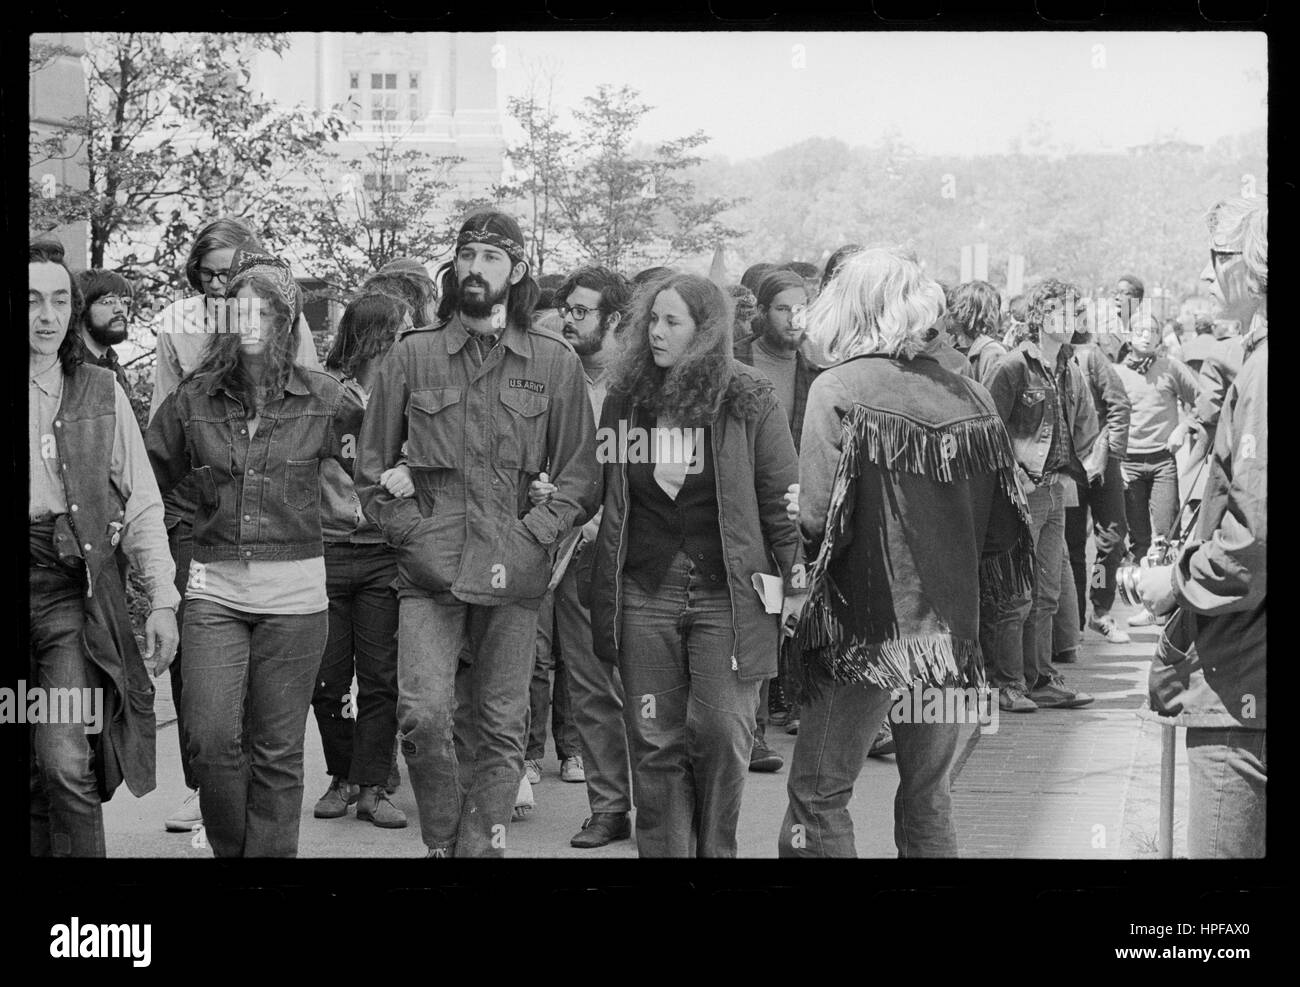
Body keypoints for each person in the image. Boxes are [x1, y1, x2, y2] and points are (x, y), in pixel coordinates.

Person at [355, 209, 598, 858]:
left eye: (491, 257)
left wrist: (534, 536)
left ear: (516, 272)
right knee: (423, 715)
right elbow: (371, 468)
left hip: (514, 575)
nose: (474, 267)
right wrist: (411, 534)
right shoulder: (414, 354)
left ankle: (476, 847)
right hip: (430, 574)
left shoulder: (554, 362)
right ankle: (444, 840)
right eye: (466, 254)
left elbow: (580, 476)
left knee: (500, 725)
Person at [778, 246, 1034, 857]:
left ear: (849, 309)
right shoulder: (973, 396)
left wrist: (806, 514)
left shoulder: (837, 387)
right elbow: (1004, 534)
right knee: (928, 796)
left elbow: (816, 520)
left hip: (861, 632)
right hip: (950, 635)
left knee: (818, 798)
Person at [146, 248, 364, 857]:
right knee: (211, 740)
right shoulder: (194, 399)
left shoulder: (326, 398)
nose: (250, 324)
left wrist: (398, 505)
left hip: (296, 600)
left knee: (276, 749)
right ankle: (233, 852)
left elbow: (379, 467)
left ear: (286, 323)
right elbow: (143, 482)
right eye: (239, 311)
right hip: (214, 590)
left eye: (264, 314)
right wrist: (161, 550)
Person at [588, 273, 805, 857]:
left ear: (706, 331)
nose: (656, 332)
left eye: (672, 322)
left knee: (720, 736)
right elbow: (597, 484)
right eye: (652, 321)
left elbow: (781, 503)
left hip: (728, 592)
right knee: (655, 738)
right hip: (645, 588)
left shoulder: (750, 396)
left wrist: (798, 589)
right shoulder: (626, 398)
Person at [29, 240, 180, 856]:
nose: (46, 314)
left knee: (65, 758)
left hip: (68, 589)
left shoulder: (98, 389)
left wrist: (163, 598)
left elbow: (141, 498)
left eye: (60, 299)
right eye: (33, 299)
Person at [1139, 194, 1266, 858]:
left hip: (1246, 676)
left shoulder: (1261, 365)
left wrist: (1179, 578)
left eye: (1219, 259)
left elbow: (1251, 542)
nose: (1211, 275)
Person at [530, 264, 638, 848]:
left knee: (647, 687)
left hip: (642, 559)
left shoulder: (644, 386)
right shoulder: (555, 378)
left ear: (615, 319)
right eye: (566, 310)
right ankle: (609, 808)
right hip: (575, 553)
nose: (567, 320)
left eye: (581, 311)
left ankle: (664, 805)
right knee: (591, 689)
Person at [309, 291, 412, 829]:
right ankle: (341, 775)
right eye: (403, 329)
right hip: (326, 548)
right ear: (378, 336)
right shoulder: (323, 392)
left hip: (383, 551)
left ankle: (374, 784)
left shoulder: (408, 392)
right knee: (326, 678)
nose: (410, 339)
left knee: (379, 676)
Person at [985, 278, 1101, 712]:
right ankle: (1007, 682)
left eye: (1077, 312)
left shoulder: (1068, 364)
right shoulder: (1014, 366)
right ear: (1039, 316)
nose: (1072, 322)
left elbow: (1081, 425)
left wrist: (1085, 464)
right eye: (1063, 312)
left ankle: (1038, 678)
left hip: (1054, 489)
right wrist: (1014, 472)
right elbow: (988, 427)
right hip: (1022, 493)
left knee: (1047, 591)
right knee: (1016, 594)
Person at [734, 268, 821, 766]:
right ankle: (753, 730)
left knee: (799, 602)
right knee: (755, 611)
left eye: (801, 307)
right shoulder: (737, 361)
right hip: (745, 501)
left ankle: (806, 708)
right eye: (783, 308)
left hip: (798, 502)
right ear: (764, 312)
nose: (793, 318)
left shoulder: (817, 367)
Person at [1114, 314, 1204, 627]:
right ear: (1129, 334)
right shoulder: (1117, 373)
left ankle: (1170, 604)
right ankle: (1147, 603)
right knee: (1138, 538)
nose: (1146, 336)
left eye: (1152, 331)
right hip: (1129, 464)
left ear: (1159, 337)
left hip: (1163, 460)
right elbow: (1104, 417)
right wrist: (1114, 460)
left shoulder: (1170, 367)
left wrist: (1185, 427)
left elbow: (1204, 400)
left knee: (1166, 535)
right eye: (1139, 330)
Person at [1064, 321, 1133, 646]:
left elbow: (1118, 404)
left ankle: (1100, 610)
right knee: (1073, 545)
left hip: (1101, 465)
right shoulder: (1045, 360)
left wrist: (1111, 455)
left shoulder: (1091, 357)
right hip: (1067, 467)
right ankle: (1075, 623)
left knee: (1110, 540)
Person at [71, 268, 133, 394]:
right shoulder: (71, 369)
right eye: (107, 301)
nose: (120, 309)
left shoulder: (114, 366)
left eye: (125, 301)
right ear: (82, 308)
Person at [945, 280, 1007, 388]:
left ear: (964, 312)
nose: (944, 314)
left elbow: (991, 400)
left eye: (950, 307)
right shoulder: (949, 346)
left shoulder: (992, 354)